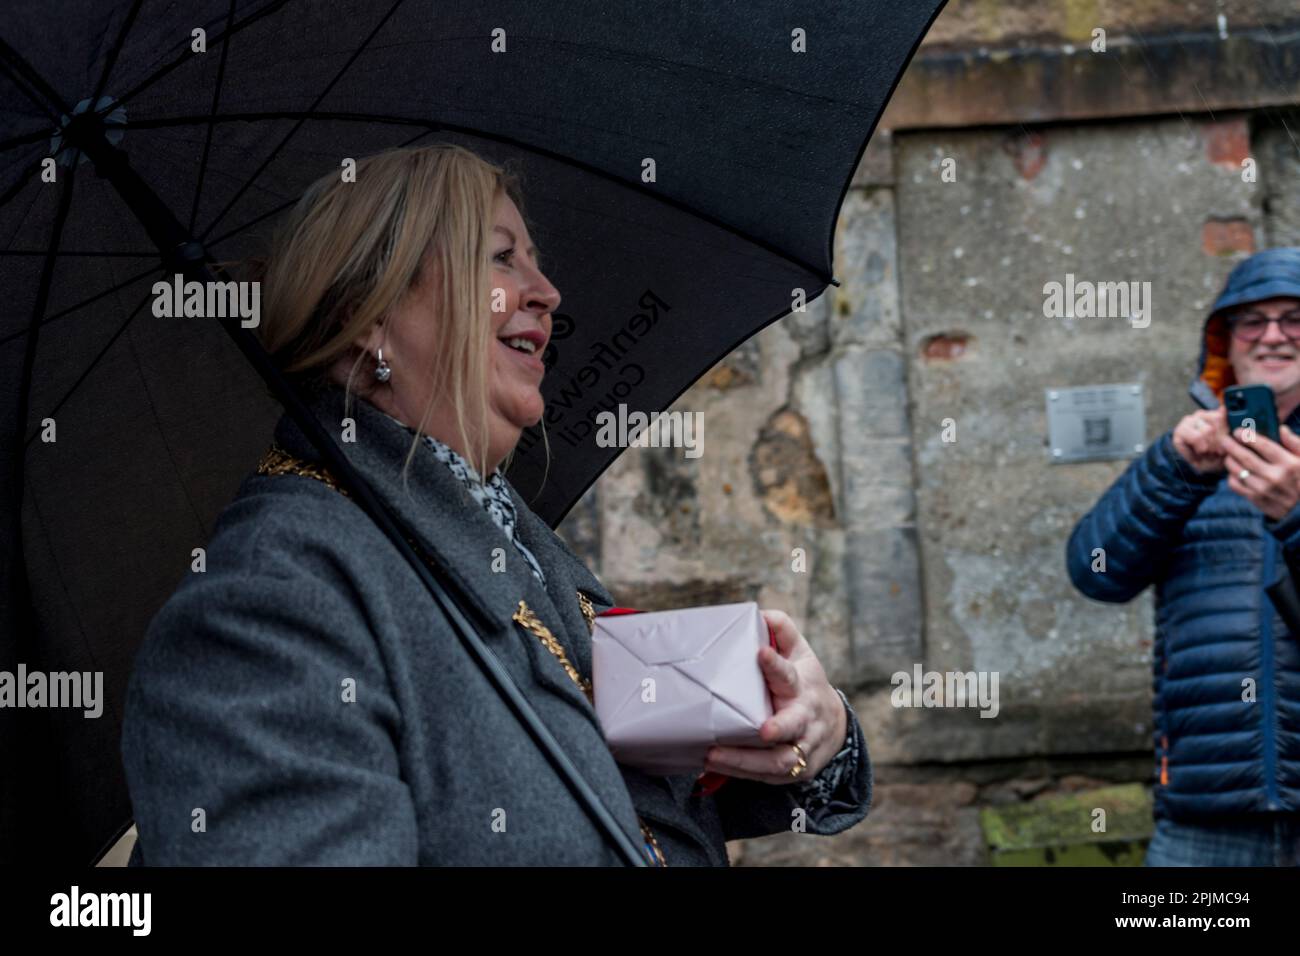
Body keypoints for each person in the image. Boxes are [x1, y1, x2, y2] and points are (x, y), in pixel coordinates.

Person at [120, 144, 872, 866]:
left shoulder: (515, 541)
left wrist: (816, 728)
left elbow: (639, 800)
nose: (548, 293)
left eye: (533, 260)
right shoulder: (271, 601)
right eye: (501, 257)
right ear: (371, 317)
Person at [1066, 247, 1300, 866]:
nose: (1273, 335)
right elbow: (1095, 572)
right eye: (1252, 320)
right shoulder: (1188, 457)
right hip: (1203, 820)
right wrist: (1172, 470)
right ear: (1226, 342)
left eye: (1294, 318)